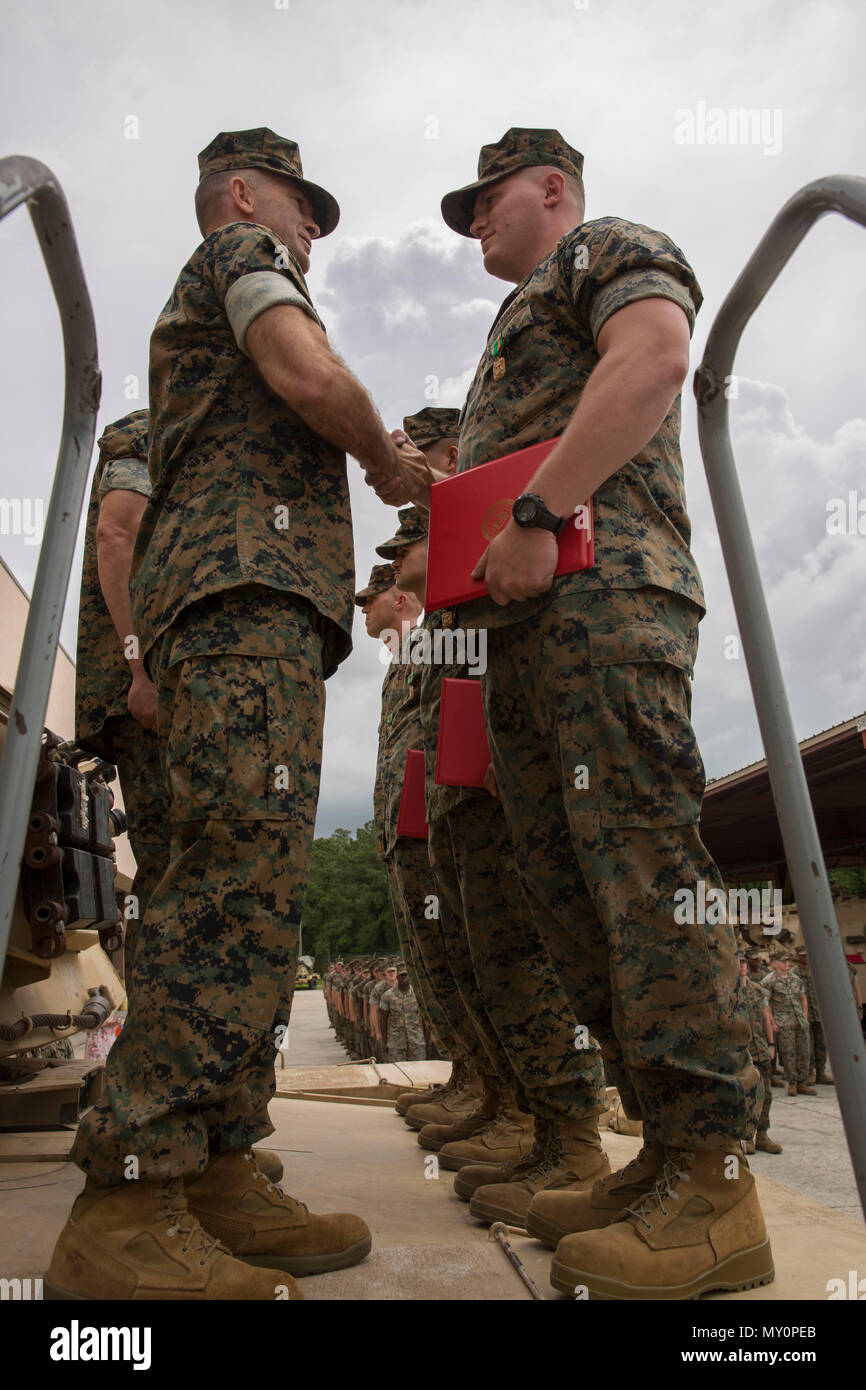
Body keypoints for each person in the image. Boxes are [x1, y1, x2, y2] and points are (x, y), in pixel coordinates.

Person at [383, 126, 769, 1300]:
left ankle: (712, 1178)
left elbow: (652, 357)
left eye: (484, 203)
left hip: (607, 604)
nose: (471, 226)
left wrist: (541, 513)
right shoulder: (516, 320)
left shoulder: (604, 247)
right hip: (525, 643)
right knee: (569, 898)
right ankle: (657, 1155)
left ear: (550, 188)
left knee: (641, 873)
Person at [48, 127, 410, 1303]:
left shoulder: (237, 266)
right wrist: (389, 458)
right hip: (239, 598)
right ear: (246, 194)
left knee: (255, 894)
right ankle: (130, 1198)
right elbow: (309, 377)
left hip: (262, 603)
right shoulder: (241, 249)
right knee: (228, 891)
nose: (310, 232)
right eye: (305, 206)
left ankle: (209, 1167)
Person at [74, 410, 169, 974]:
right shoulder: (147, 429)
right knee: (173, 872)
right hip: (151, 695)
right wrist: (141, 671)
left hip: (153, 690)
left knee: (172, 869)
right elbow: (118, 533)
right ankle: (166, 1053)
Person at [739, 957, 782, 1153]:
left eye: (743, 964)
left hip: (761, 1049)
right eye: (738, 964)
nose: (741, 967)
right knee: (747, 1095)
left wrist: (771, 1044)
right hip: (741, 1052)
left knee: (767, 1095)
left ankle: (762, 1135)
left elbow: (766, 1017)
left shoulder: (757, 990)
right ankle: (746, 1137)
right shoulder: (727, 990)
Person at [762, 956, 813, 1096]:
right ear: (775, 963)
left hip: (799, 1022)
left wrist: (805, 1017)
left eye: (787, 961)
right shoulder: (769, 981)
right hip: (784, 1023)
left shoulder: (795, 979)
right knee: (788, 1053)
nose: (786, 964)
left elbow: (803, 998)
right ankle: (792, 1083)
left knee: (804, 1052)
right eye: (783, 961)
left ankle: (803, 1082)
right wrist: (772, 1022)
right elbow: (765, 1003)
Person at [795, 948, 831, 1085]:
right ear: (797, 956)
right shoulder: (794, 974)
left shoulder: (817, 971)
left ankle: (821, 1072)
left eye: (807, 956)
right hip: (805, 1015)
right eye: (802, 956)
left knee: (821, 1044)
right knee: (807, 1046)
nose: (805, 958)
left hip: (818, 1014)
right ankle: (809, 1073)